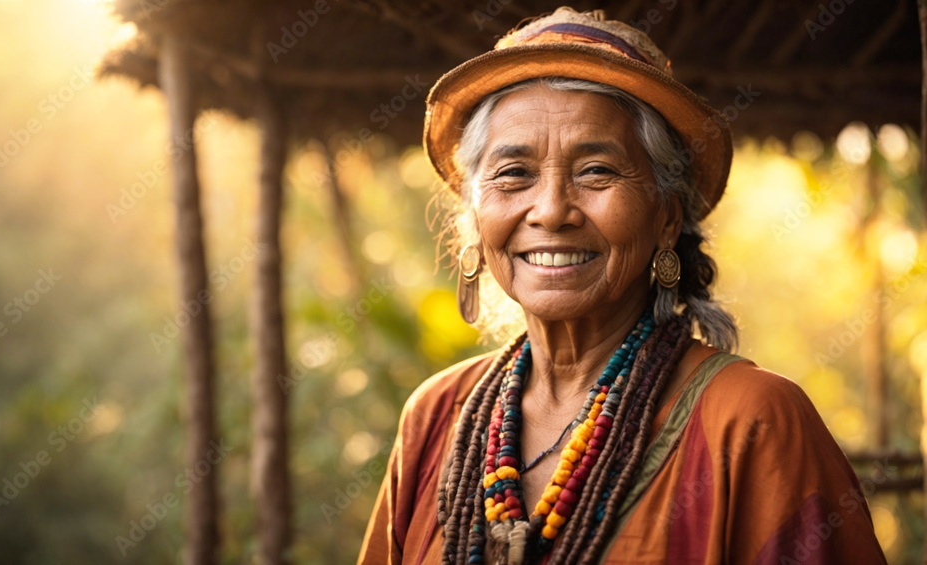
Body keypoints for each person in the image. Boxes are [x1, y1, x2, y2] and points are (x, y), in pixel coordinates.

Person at [359, 7, 887, 565]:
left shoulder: (752, 422)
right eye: (514, 173)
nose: (552, 210)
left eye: (597, 172)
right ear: (474, 217)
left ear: (665, 216)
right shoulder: (438, 416)